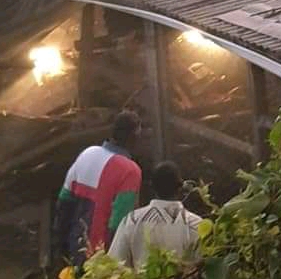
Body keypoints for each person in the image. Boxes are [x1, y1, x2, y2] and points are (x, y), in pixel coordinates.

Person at [54, 110, 142, 267]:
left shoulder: (88, 153)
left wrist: (62, 245)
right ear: (134, 136)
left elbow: (64, 202)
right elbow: (120, 223)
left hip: (76, 248)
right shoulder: (130, 171)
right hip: (100, 259)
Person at [108, 161, 202, 268]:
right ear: (180, 186)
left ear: (151, 186)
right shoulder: (197, 225)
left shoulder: (132, 221)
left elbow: (115, 266)